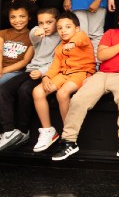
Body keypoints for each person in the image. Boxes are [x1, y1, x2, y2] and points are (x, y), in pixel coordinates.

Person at [51, 5, 119, 161]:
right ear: (118, 20)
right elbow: (102, 55)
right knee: (78, 99)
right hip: (103, 74)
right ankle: (69, 141)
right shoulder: (111, 33)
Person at [0, 7, 60, 153]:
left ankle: (23, 131)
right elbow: (34, 36)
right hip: (31, 71)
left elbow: (58, 61)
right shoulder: (37, 32)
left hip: (47, 73)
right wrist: (37, 31)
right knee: (4, 89)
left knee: (25, 90)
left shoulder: (61, 37)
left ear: (57, 22)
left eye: (49, 22)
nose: (45, 26)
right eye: (41, 22)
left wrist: (42, 72)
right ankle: (9, 131)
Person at [31, 11, 96, 152]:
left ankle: (68, 134)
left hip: (82, 73)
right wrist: (46, 77)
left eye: (67, 27)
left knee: (62, 93)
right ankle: (48, 130)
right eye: (59, 28)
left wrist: (72, 43)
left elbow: (80, 38)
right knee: (38, 91)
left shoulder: (81, 37)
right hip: (64, 73)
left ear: (76, 28)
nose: (63, 31)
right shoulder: (60, 47)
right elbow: (55, 66)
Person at [0, 0, 34, 118]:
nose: (17, 20)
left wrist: (1, 71)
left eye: (22, 16)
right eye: (13, 17)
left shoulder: (32, 35)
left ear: (29, 17)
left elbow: (24, 62)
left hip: (15, 72)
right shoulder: (2, 33)